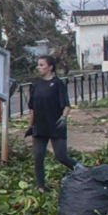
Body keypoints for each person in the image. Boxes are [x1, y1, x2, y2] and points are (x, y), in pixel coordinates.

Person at [26, 55, 78, 192]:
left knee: (61, 157)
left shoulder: (57, 84)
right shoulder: (36, 85)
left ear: (50, 67)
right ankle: (41, 188)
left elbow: (66, 105)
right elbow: (32, 108)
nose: (39, 67)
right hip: (40, 126)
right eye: (38, 65)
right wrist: (30, 125)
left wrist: (63, 118)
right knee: (38, 158)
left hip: (55, 125)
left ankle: (83, 171)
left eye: (42, 65)